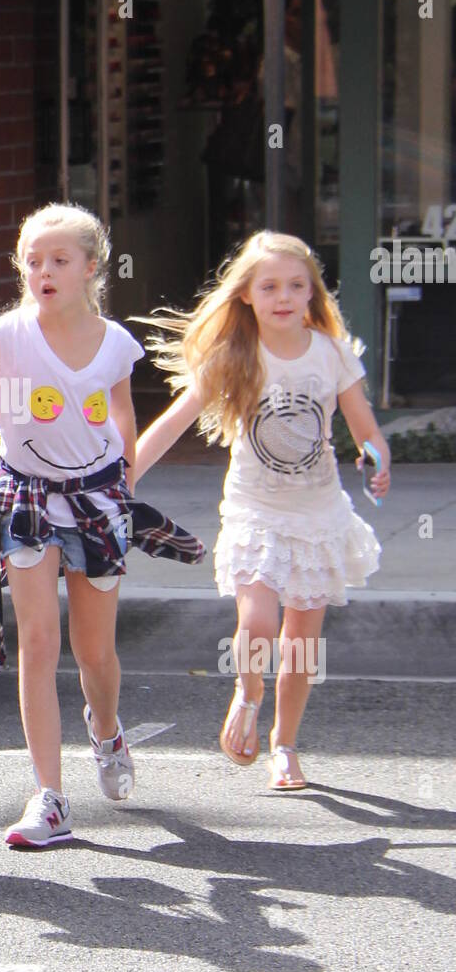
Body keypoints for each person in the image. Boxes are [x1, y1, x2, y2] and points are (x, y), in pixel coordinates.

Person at [0, 204, 205, 848]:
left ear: (91, 268)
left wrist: (125, 482)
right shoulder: (7, 335)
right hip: (24, 498)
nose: (43, 271)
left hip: (98, 501)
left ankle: (105, 730)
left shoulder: (116, 344)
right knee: (39, 643)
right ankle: (50, 797)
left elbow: (123, 417)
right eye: (33, 260)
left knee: (94, 651)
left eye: (59, 260)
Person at [131, 231, 391, 791]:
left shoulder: (331, 353)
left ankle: (286, 745)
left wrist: (376, 459)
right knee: (259, 621)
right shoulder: (236, 355)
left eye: (297, 286)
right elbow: (174, 422)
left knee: (300, 641)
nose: (283, 296)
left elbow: (366, 429)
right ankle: (247, 695)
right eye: (269, 285)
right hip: (255, 511)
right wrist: (125, 473)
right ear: (246, 294)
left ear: (312, 294)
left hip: (319, 513)